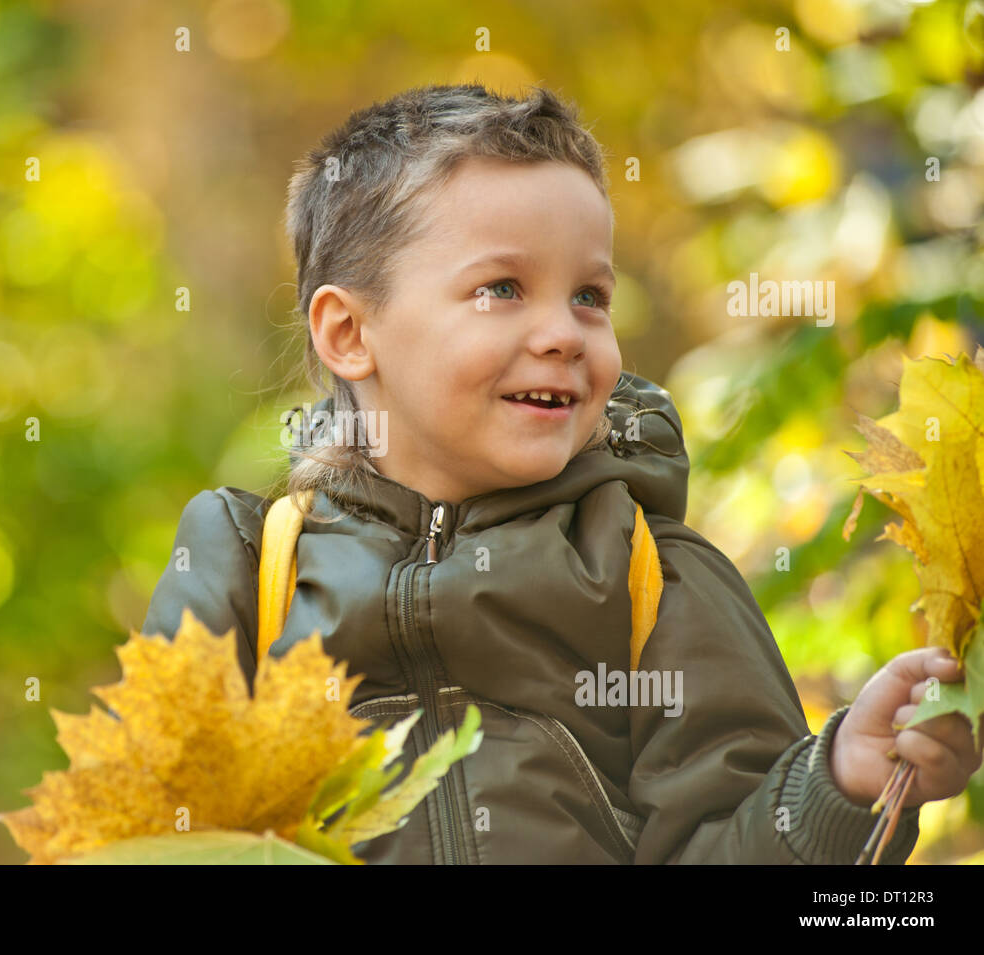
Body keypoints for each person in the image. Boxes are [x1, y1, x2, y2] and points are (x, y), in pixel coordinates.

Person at [141, 83, 982, 863]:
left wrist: (837, 780)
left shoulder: (654, 580)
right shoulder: (250, 569)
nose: (563, 332)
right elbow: (156, 831)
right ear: (350, 333)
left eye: (589, 296)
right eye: (502, 288)